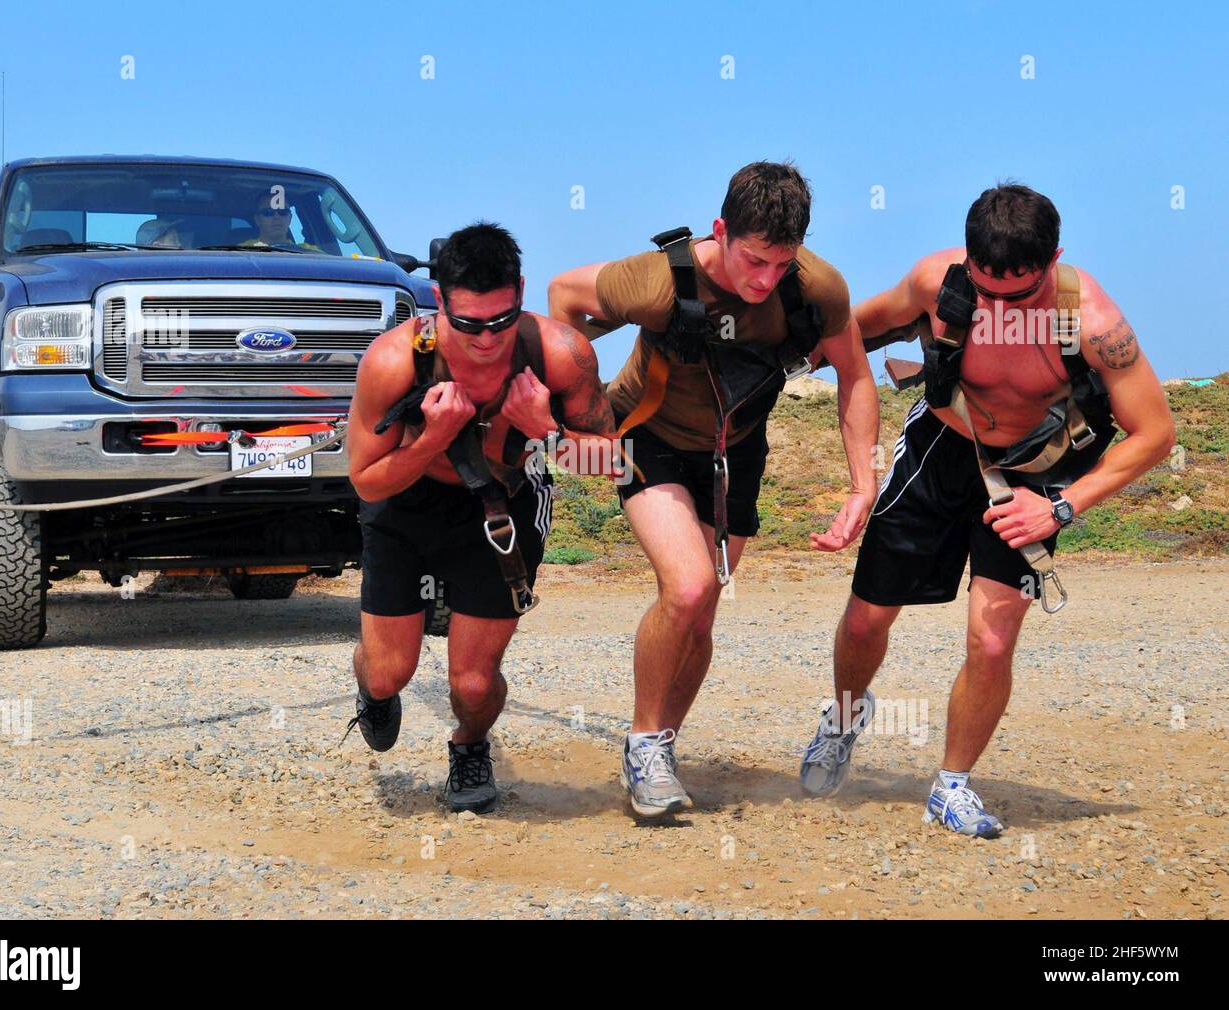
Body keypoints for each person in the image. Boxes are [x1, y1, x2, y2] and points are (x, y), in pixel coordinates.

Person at [799, 183, 1176, 837]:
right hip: (942, 451)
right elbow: (853, 328)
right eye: (988, 292)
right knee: (865, 623)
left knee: (993, 639)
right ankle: (843, 718)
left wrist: (1060, 507)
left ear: (1053, 260)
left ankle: (951, 785)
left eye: (1020, 295)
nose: (1001, 309)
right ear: (968, 260)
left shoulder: (1091, 321)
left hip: (1036, 480)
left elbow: (1154, 434)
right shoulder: (934, 283)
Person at [549, 161, 879, 818]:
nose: (765, 280)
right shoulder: (657, 281)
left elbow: (857, 377)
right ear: (720, 230)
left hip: (735, 453)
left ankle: (660, 750)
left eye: (780, 266)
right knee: (689, 585)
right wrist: (573, 416)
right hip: (649, 437)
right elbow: (562, 297)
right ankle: (642, 743)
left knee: (701, 614)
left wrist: (861, 485)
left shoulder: (815, 291)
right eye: (754, 261)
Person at [345, 222, 615, 814]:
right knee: (390, 673)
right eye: (467, 324)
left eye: (501, 320)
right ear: (439, 301)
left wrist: (546, 432)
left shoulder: (559, 354)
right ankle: (369, 681)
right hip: (406, 496)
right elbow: (365, 478)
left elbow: (613, 461)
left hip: (502, 502)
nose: (486, 339)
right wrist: (430, 440)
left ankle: (469, 744)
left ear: (520, 292)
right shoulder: (393, 361)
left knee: (471, 682)